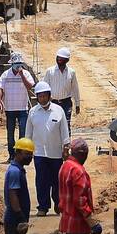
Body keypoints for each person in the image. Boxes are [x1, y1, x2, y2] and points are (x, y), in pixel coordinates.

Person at [26, 81, 70, 216]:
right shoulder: (33, 113)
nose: (43, 99)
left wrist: (66, 146)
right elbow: (28, 133)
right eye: (40, 96)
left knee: (57, 181)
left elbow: (64, 130)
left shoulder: (58, 111)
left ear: (50, 96)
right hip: (39, 153)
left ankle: (58, 203)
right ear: (37, 97)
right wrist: (27, 149)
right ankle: (43, 207)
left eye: (45, 96)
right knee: (41, 181)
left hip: (55, 153)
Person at [4, 137, 35, 234]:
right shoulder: (15, 171)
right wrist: (21, 217)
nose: (30, 157)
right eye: (27, 154)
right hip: (14, 219)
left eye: (31, 154)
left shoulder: (18, 169)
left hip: (18, 218)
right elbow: (13, 195)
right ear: (18, 153)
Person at [0, 51, 35, 158]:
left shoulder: (26, 74)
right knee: (10, 133)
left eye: (19, 64)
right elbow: (0, 88)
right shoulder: (5, 74)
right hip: (10, 108)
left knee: (23, 133)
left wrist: (22, 75)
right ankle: (12, 155)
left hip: (22, 108)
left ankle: (21, 155)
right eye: (16, 64)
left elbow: (29, 87)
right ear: (11, 64)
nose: (18, 66)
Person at [43, 47, 81, 127]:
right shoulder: (50, 71)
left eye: (61, 58)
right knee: (53, 126)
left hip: (66, 103)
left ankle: (67, 140)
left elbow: (75, 89)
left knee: (66, 125)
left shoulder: (71, 72)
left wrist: (77, 104)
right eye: (58, 58)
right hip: (53, 103)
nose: (59, 60)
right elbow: (44, 88)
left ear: (67, 60)